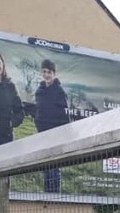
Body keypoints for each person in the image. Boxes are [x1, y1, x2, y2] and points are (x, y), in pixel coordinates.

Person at [33, 59, 70, 192]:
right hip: (42, 134)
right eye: (44, 72)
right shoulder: (39, 91)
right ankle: (47, 192)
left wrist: (63, 133)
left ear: (54, 74)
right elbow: (38, 111)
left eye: (49, 72)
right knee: (45, 164)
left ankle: (55, 193)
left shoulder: (59, 91)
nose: (46, 74)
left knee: (54, 165)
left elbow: (65, 115)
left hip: (55, 134)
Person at [0, 48, 24, 150]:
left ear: (3, 64)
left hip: (6, 140)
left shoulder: (10, 86)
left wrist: (11, 123)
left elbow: (19, 111)